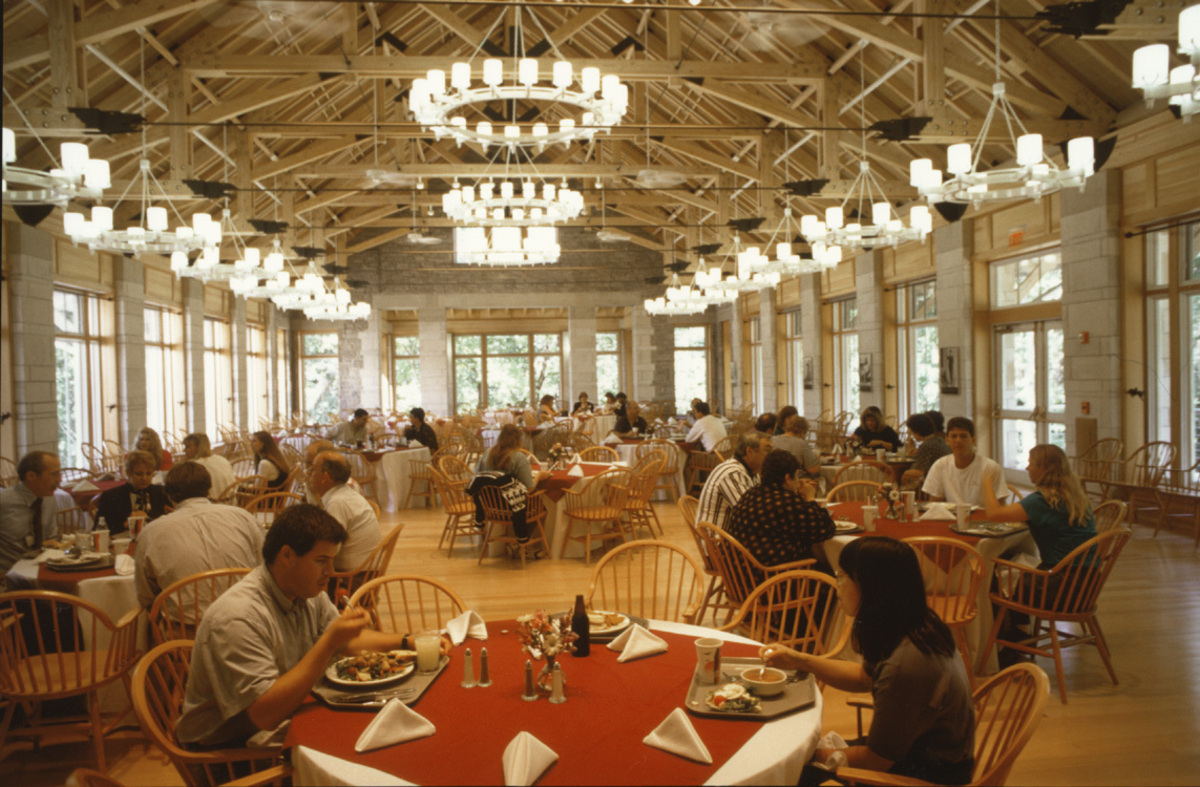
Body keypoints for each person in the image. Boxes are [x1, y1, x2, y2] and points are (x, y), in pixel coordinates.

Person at [176, 505, 447, 748]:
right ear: (287, 555)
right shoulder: (238, 617)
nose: (331, 571)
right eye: (321, 561)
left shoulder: (306, 593)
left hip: (287, 714)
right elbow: (263, 714)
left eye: (332, 560)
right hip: (230, 749)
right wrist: (328, 642)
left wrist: (406, 642)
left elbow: (347, 642)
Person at [762, 537, 975, 785]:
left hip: (930, 773)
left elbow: (876, 761)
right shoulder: (917, 621)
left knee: (783, 771)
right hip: (923, 751)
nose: (837, 584)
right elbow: (864, 677)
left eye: (842, 576)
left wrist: (809, 755)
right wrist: (800, 660)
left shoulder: (908, 665)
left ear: (871, 587)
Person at [134, 462, 264, 609]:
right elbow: (264, 567)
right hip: (245, 620)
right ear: (208, 490)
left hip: (185, 628)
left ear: (169, 496)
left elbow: (145, 597)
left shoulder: (150, 533)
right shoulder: (243, 517)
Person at [982, 444, 1097, 569]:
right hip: (1088, 574)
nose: (1027, 468)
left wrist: (987, 483)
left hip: (1058, 575)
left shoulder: (1041, 501)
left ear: (1043, 468)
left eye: (1031, 464)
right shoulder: (1075, 496)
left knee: (992, 564)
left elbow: (994, 514)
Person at [724, 449, 835, 570]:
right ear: (787, 478)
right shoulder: (788, 502)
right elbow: (825, 530)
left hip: (739, 574)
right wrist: (810, 497)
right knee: (831, 572)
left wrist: (796, 493)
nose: (799, 481)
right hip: (775, 579)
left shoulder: (751, 493)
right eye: (797, 476)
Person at [310, 451, 381, 572]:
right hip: (366, 570)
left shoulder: (337, 503)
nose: (309, 474)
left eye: (313, 470)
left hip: (351, 578)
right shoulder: (347, 493)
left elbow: (330, 548)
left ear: (325, 477)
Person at [922, 417, 1008, 508]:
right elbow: (935, 505)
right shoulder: (940, 466)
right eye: (954, 436)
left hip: (983, 520)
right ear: (947, 440)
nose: (958, 441)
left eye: (963, 436)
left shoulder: (990, 467)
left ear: (973, 440)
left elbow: (1000, 507)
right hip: (953, 518)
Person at [0, 451, 61, 575]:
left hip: (43, 573)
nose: (60, 479)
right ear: (31, 476)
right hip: (7, 580)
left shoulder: (49, 500)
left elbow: (52, 539)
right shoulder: (4, 503)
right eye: (54, 474)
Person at [696, 431, 771, 529]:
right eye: (767, 451)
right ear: (750, 451)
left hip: (731, 534)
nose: (770, 456)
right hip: (718, 539)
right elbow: (750, 514)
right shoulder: (732, 473)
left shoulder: (752, 472)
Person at [94, 450, 169, 534]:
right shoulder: (111, 496)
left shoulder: (161, 492)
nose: (144, 478)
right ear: (128, 473)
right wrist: (125, 524)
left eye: (148, 474)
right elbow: (97, 531)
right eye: (139, 474)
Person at [475, 424, 549, 490]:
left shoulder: (487, 453)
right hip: (511, 503)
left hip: (487, 501)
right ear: (519, 440)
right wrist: (539, 475)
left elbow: (476, 477)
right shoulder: (519, 458)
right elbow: (529, 488)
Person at [901, 413, 951, 489]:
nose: (911, 434)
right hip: (945, 478)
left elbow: (919, 472)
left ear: (916, 431)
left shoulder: (926, 445)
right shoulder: (939, 440)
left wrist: (904, 472)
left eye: (911, 431)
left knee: (902, 477)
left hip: (933, 482)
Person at [183, 432, 236, 502]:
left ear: (198, 448)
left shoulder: (194, 465)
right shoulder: (222, 459)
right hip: (232, 503)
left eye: (187, 447)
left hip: (212, 505)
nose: (184, 450)